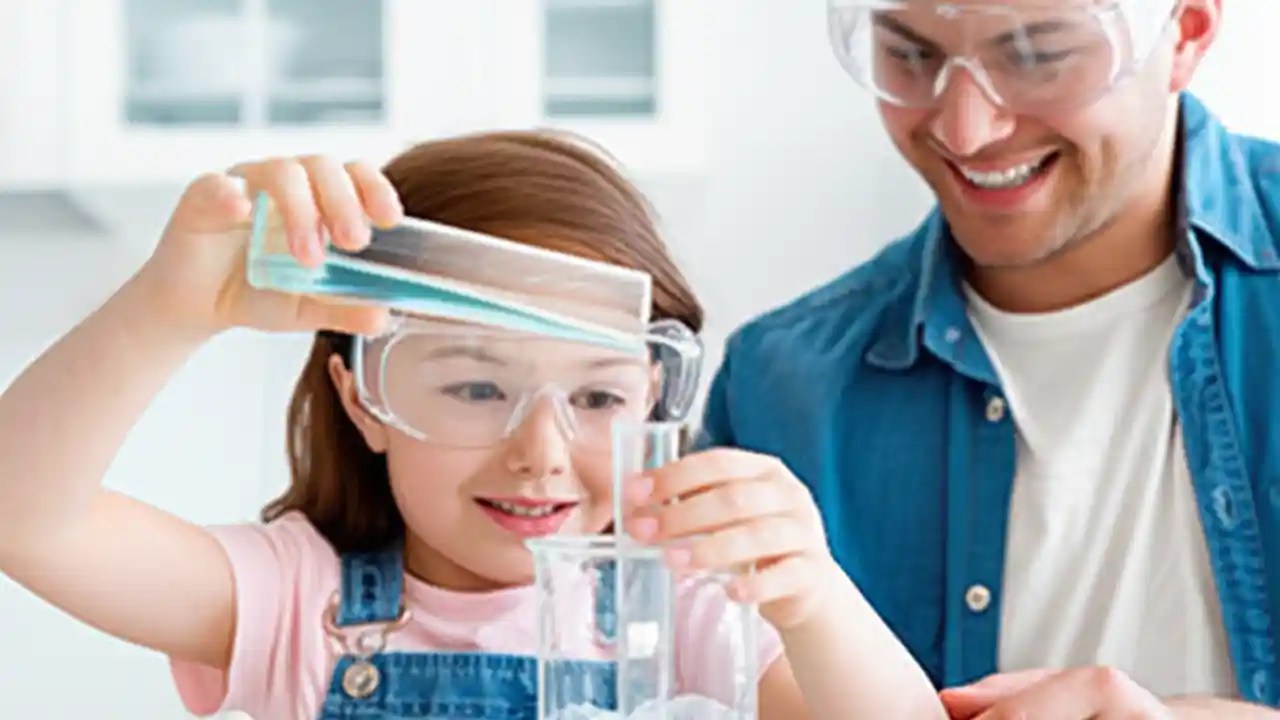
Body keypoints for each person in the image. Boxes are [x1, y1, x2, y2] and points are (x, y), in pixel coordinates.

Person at [0, 130, 945, 718]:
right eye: (476, 389)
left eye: (598, 399)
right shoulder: (297, 604)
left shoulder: (680, 610)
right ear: (364, 401)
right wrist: (166, 308)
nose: (541, 454)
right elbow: (23, 517)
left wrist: (813, 595)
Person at [671, 0, 1280, 717]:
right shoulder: (782, 388)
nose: (966, 130)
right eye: (912, 56)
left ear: (1187, 32)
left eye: (1037, 58)